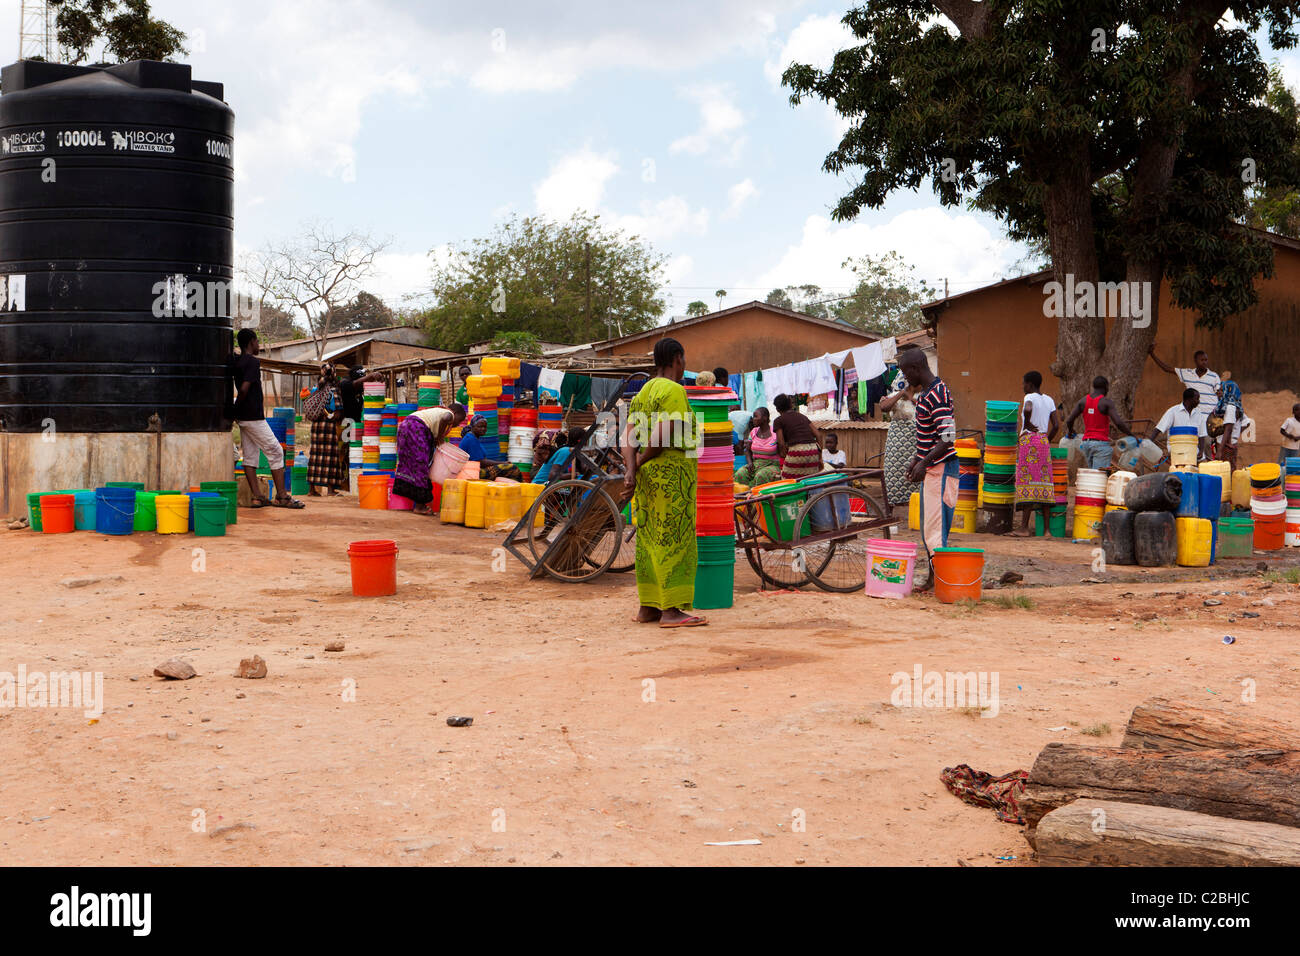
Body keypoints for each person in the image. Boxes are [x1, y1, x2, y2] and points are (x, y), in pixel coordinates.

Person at [623, 337, 706, 628]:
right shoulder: (674, 390)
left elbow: (628, 437)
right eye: (684, 360)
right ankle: (671, 610)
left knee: (649, 539)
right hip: (672, 478)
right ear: (677, 359)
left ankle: (648, 607)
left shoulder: (642, 393)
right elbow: (663, 434)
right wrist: (642, 461)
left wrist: (631, 470)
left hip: (647, 480)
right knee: (674, 538)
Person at [227, 329, 302, 508]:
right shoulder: (252, 362)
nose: (258, 345)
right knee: (275, 451)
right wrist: (234, 411)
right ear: (251, 342)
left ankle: (258, 497)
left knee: (250, 456)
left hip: (244, 417)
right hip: (253, 416)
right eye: (257, 342)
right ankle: (282, 496)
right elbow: (244, 389)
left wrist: (235, 412)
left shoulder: (237, 361)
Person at [901, 347, 956, 582]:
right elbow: (930, 437)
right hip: (933, 469)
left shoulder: (938, 393)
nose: (906, 379)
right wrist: (917, 460)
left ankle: (941, 581)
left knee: (936, 530)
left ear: (916, 368)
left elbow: (948, 437)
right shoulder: (925, 395)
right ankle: (935, 579)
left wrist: (923, 462)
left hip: (942, 469)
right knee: (930, 529)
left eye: (906, 373)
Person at [393, 402, 467, 514]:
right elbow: (446, 418)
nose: (458, 424)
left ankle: (417, 502)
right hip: (416, 428)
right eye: (460, 420)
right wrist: (440, 437)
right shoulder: (449, 414)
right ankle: (419, 506)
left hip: (405, 426)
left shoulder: (436, 412)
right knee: (422, 465)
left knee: (409, 463)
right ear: (455, 413)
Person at [1012, 370, 1060, 536]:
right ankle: (1047, 530)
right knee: (1044, 483)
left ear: (1030, 384)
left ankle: (1024, 528)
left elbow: (1028, 408)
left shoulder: (1029, 397)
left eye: (1024, 383)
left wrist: (1026, 424)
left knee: (1027, 482)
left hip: (1029, 442)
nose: (1022, 386)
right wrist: (1045, 440)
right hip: (1043, 442)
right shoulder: (1049, 400)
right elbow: (1056, 425)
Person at [1064, 376, 1134, 470]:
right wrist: (1131, 435)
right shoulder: (1106, 402)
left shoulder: (1083, 401)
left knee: (1094, 474)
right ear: (1106, 387)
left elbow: (1069, 420)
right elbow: (1118, 423)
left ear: (1093, 386)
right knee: (1099, 476)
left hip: (1086, 444)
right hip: (1100, 445)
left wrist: (1070, 431)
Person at [879, 364, 921, 508]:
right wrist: (900, 394)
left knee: (915, 476)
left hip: (915, 444)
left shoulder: (921, 397)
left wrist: (910, 397)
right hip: (897, 446)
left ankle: (914, 508)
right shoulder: (894, 397)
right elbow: (884, 407)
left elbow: (924, 409)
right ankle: (890, 511)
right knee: (893, 477)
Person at [306, 364, 348, 497]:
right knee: (330, 457)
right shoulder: (333, 390)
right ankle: (330, 490)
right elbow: (338, 412)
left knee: (315, 456)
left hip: (315, 428)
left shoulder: (315, 389)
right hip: (328, 427)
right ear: (333, 374)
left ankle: (312, 490)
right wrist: (334, 417)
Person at [1149, 346, 1220, 422]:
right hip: (1195, 416)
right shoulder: (1187, 374)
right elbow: (1166, 369)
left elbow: (1219, 394)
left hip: (1211, 416)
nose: (1204, 362)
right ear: (1195, 361)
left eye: (1206, 360)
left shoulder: (1214, 376)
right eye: (1202, 360)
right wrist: (1152, 354)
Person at [458, 415, 524, 481]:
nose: (483, 429)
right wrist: (502, 463)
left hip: (474, 470)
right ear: (472, 427)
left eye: (485, 427)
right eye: (480, 426)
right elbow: (481, 462)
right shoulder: (471, 439)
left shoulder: (473, 438)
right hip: (473, 472)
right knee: (512, 468)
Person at [772, 394, 822, 480]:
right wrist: (820, 456)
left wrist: (785, 456)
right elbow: (818, 435)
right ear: (791, 405)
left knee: (787, 480)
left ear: (777, 409)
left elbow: (781, 443)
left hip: (796, 451)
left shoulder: (778, 420)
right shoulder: (803, 417)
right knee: (810, 480)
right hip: (813, 450)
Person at [1151, 388, 1209, 459]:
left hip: (1193, 450)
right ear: (1189, 399)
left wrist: (1201, 452)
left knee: (1205, 463)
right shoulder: (1173, 411)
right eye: (1197, 399)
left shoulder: (1199, 414)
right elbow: (1159, 428)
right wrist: (1148, 442)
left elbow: (1201, 435)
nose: (1198, 401)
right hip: (1176, 449)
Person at [735, 407, 780, 486]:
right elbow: (747, 450)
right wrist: (750, 463)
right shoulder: (753, 432)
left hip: (772, 464)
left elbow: (782, 449)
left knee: (761, 476)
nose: (753, 419)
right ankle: (745, 493)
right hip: (756, 464)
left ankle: (756, 493)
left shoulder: (775, 433)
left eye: (756, 416)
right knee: (740, 474)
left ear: (765, 418)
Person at [1281, 403, 1300, 467]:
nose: (1299, 411)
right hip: (1286, 445)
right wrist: (1289, 436)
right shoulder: (1289, 420)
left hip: (1296, 447)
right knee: (1283, 463)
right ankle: (1282, 473)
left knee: (1292, 464)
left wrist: (1298, 438)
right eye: (1297, 410)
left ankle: (1290, 473)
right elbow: (1282, 430)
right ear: (1293, 412)